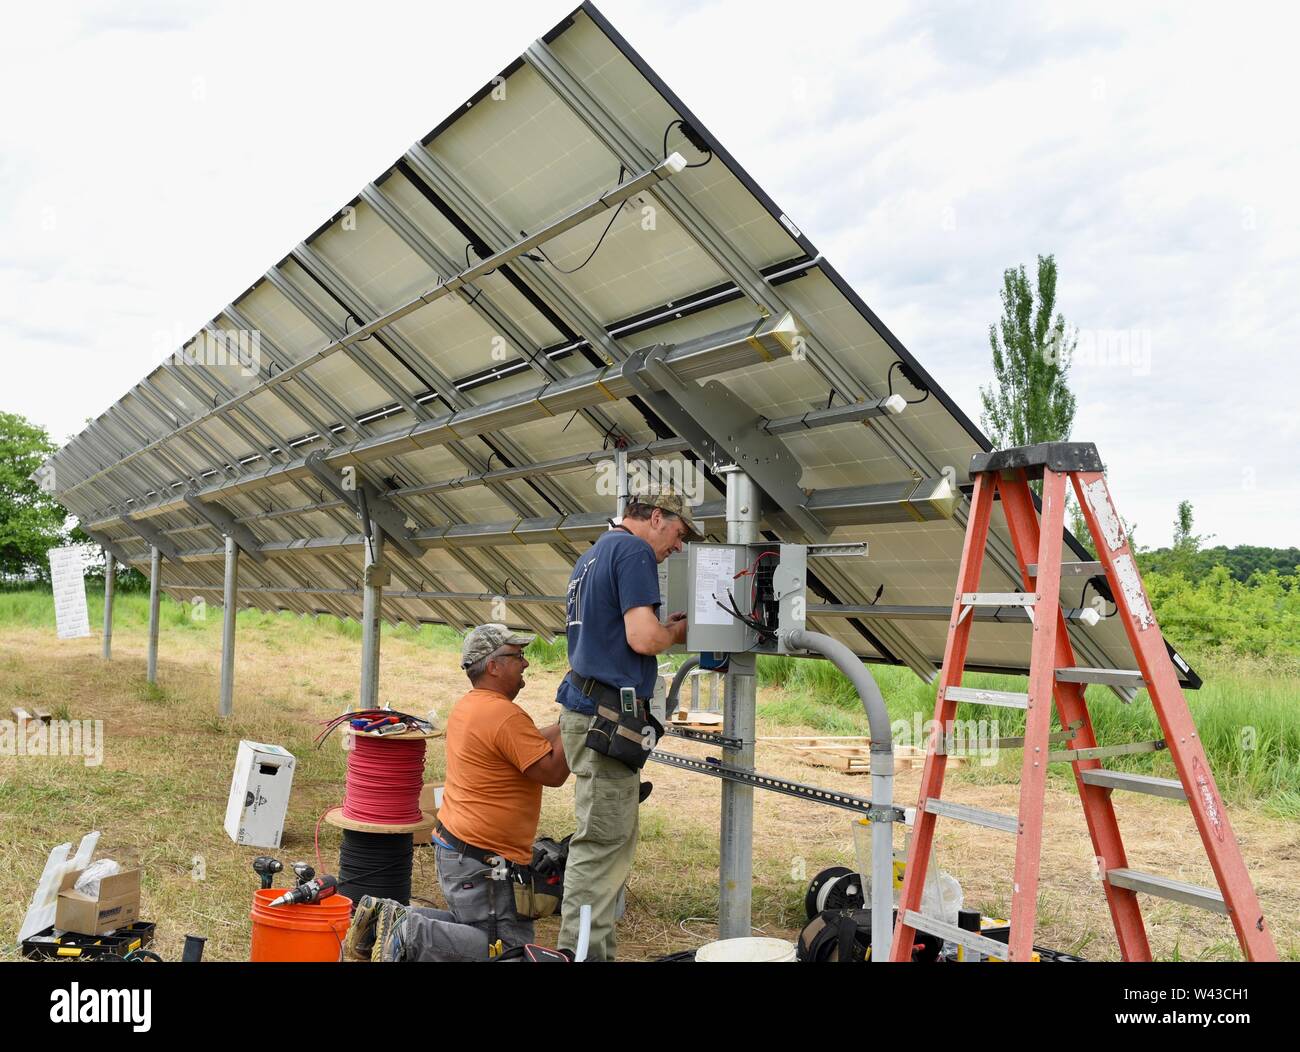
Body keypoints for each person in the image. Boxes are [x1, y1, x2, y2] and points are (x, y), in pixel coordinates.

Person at [344, 623, 570, 962]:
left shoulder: (472, 706)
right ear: (493, 666)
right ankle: (408, 933)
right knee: (506, 952)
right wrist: (580, 723)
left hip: (462, 852)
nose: (525, 663)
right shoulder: (503, 714)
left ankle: (384, 917)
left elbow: (522, 741)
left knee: (475, 929)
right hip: (486, 862)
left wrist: (565, 725)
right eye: (517, 656)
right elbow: (553, 772)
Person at [555, 489, 697, 961]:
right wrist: (677, 631)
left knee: (603, 843)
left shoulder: (594, 553)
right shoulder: (633, 550)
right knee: (600, 849)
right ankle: (584, 956)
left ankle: (591, 950)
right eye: (678, 534)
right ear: (657, 517)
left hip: (588, 710)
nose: (678, 546)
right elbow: (644, 638)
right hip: (605, 720)